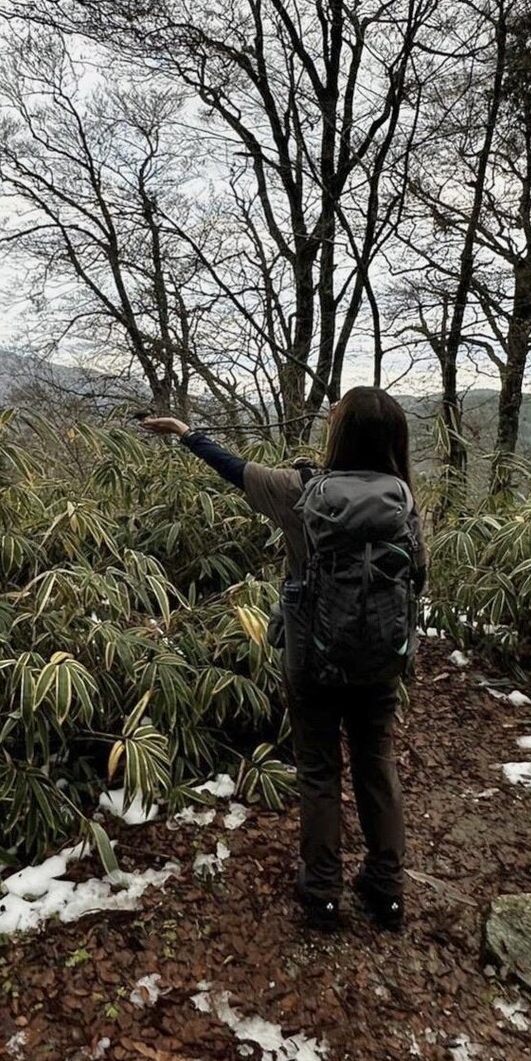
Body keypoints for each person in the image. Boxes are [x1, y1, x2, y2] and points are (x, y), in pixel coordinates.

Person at [142, 387, 426, 934]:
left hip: (311, 655)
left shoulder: (301, 492)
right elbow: (417, 580)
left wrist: (186, 434)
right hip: (381, 661)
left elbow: (236, 468)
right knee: (376, 763)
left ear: (338, 435)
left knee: (319, 769)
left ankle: (321, 893)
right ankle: (387, 891)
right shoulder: (405, 502)